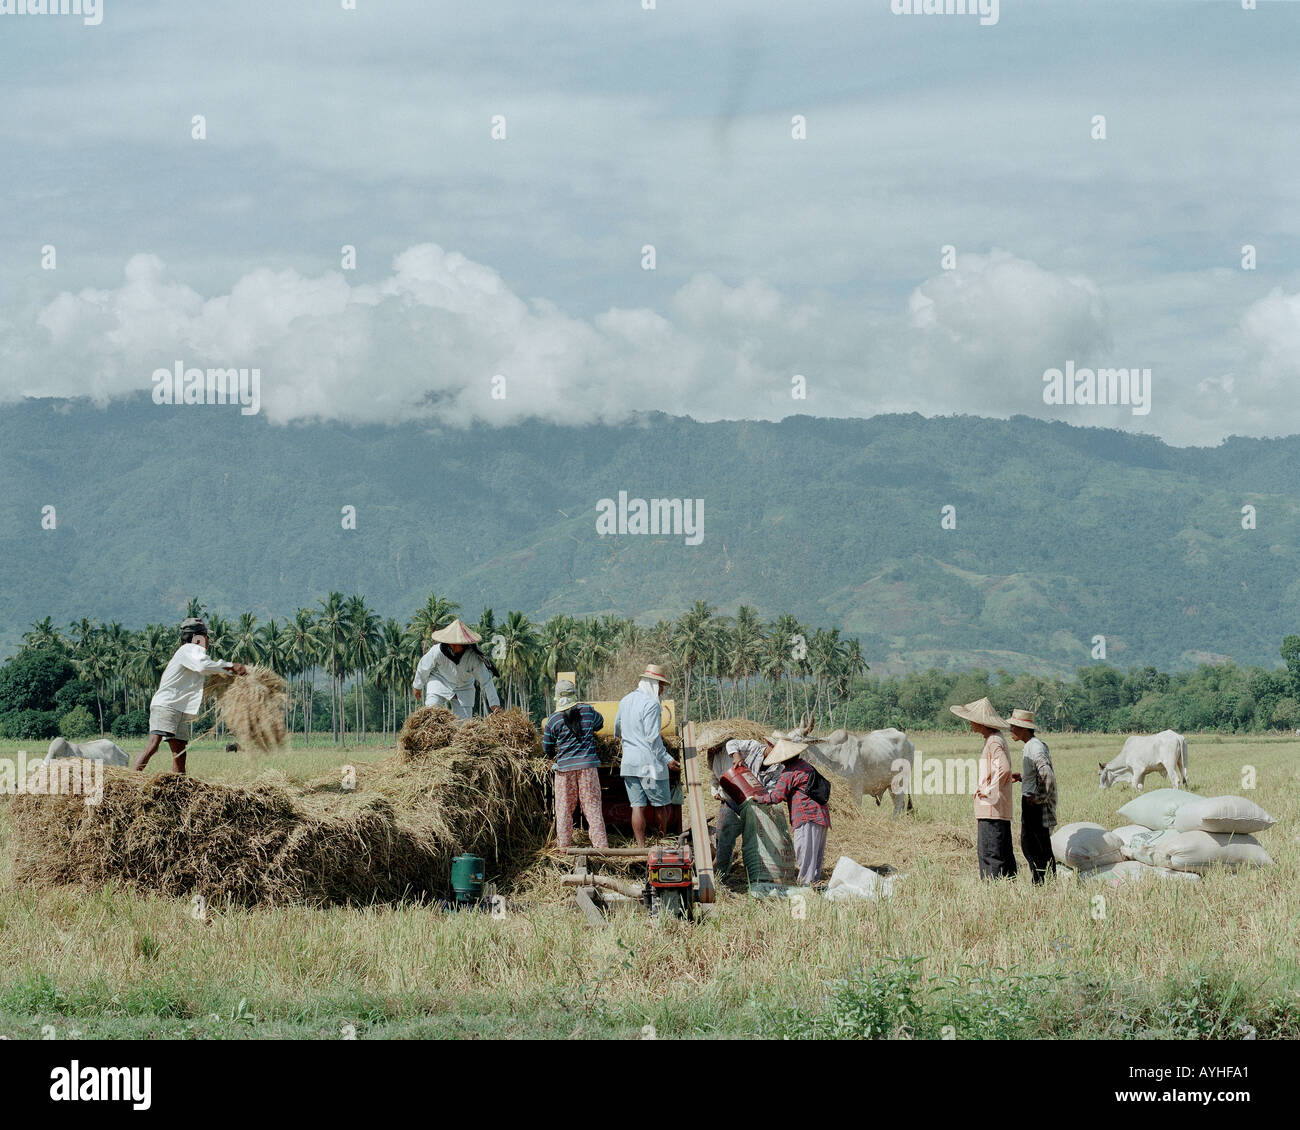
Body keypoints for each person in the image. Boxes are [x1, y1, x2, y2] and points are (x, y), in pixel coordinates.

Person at [133, 618, 247, 775]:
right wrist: (230, 666)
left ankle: (179, 786)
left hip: (177, 708)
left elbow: (202, 668)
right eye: (206, 636)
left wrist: (227, 672)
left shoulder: (190, 653)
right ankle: (131, 779)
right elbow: (203, 665)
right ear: (198, 637)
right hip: (166, 705)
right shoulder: (190, 650)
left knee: (179, 751)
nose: (208, 640)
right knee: (153, 744)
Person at [950, 697, 1018, 880]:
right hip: (995, 808)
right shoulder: (994, 739)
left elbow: (1003, 768)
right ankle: (1007, 889)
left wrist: (989, 790)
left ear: (981, 722)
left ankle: (994, 892)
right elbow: (1001, 770)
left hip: (991, 809)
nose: (970, 723)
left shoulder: (993, 741)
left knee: (990, 853)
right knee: (1002, 852)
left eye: (972, 720)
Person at [613, 663, 679, 846]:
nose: (662, 689)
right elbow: (653, 738)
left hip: (629, 764)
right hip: (648, 767)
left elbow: (617, 729)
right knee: (660, 804)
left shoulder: (625, 700)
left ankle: (640, 846)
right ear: (653, 684)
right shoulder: (651, 704)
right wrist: (668, 759)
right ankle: (662, 840)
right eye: (661, 685)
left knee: (637, 806)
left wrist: (629, 740)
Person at [753, 735, 831, 885]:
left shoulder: (789, 773)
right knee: (815, 854)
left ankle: (805, 886)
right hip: (821, 815)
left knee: (805, 853)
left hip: (806, 816)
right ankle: (813, 883)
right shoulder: (806, 766)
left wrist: (758, 798)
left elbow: (776, 797)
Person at [543, 677, 608, 851]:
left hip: (565, 771)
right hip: (588, 767)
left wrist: (554, 754)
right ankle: (601, 849)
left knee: (564, 809)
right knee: (592, 807)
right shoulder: (587, 710)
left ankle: (564, 848)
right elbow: (600, 724)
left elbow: (547, 747)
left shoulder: (553, 720)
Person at [711, 736, 780, 882]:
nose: (777, 753)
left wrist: (760, 798)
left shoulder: (778, 768)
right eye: (775, 748)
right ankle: (721, 875)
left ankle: (755, 877)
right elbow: (731, 743)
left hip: (754, 806)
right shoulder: (753, 747)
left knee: (753, 843)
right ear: (769, 744)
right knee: (724, 838)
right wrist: (737, 756)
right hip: (732, 800)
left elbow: (772, 790)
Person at [412, 618, 502, 719]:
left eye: (457, 643)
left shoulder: (473, 658)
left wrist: (494, 704)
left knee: (464, 724)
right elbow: (423, 667)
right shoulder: (437, 651)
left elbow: (486, 681)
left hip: (463, 686)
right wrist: (417, 686)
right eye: (452, 643)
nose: (454, 647)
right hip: (440, 681)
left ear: (464, 643)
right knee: (431, 713)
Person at [1007, 707, 1057, 883]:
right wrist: (1023, 777)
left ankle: (1041, 880)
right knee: (1040, 842)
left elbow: (1046, 773)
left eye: (1013, 727)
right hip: (1033, 799)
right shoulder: (1032, 745)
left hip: (1033, 803)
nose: (1010, 730)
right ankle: (1047, 879)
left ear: (1023, 729)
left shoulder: (1034, 747)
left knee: (1032, 844)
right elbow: (1039, 773)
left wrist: (1038, 797)